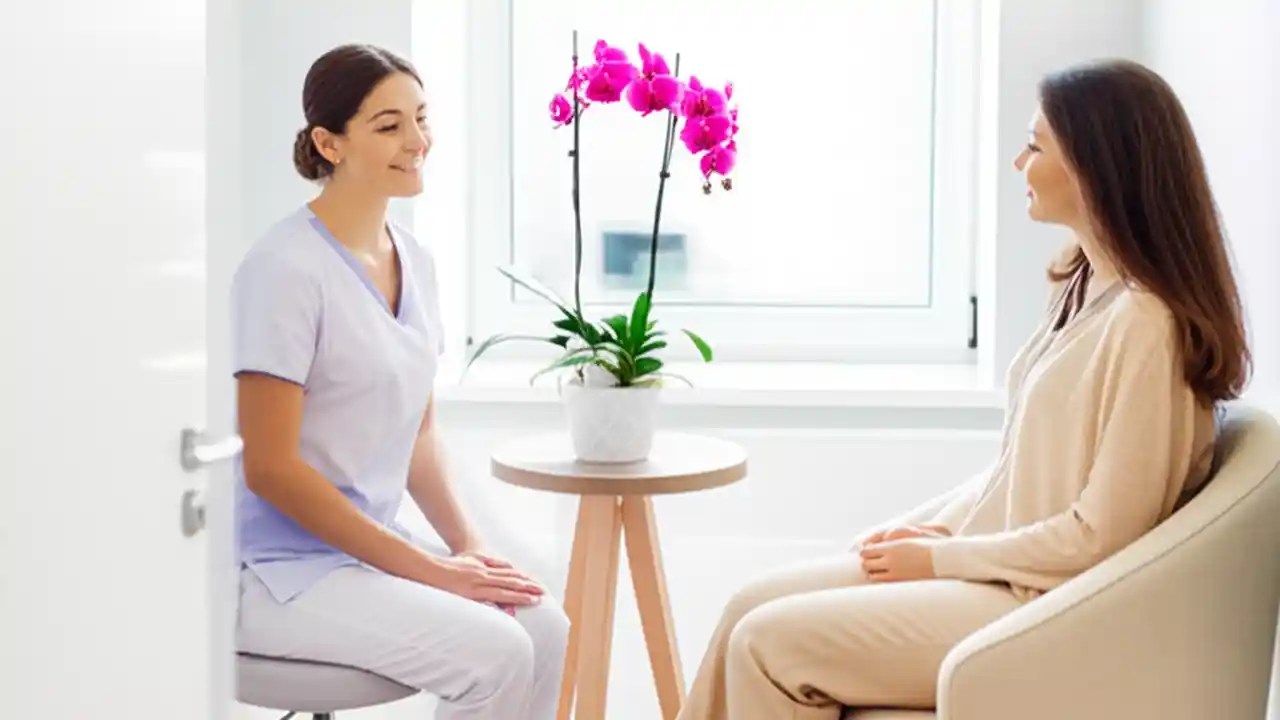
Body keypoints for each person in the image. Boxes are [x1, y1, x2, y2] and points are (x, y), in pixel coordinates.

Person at [677, 58, 1251, 720]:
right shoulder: (1082, 285)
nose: (1019, 163)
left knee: (765, 644)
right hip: (1003, 572)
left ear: (1097, 164)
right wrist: (932, 526)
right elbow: (1020, 468)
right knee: (747, 604)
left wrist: (942, 557)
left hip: (1046, 607)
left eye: (1036, 145)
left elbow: (1100, 537)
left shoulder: (1148, 325)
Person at [231, 44, 569, 719]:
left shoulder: (416, 261)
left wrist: (468, 547)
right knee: (496, 652)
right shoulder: (284, 270)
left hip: (365, 551)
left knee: (540, 624)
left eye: (420, 118)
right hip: (275, 571)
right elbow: (270, 468)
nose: (416, 142)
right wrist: (433, 571)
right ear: (329, 143)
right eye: (388, 126)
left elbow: (418, 435)